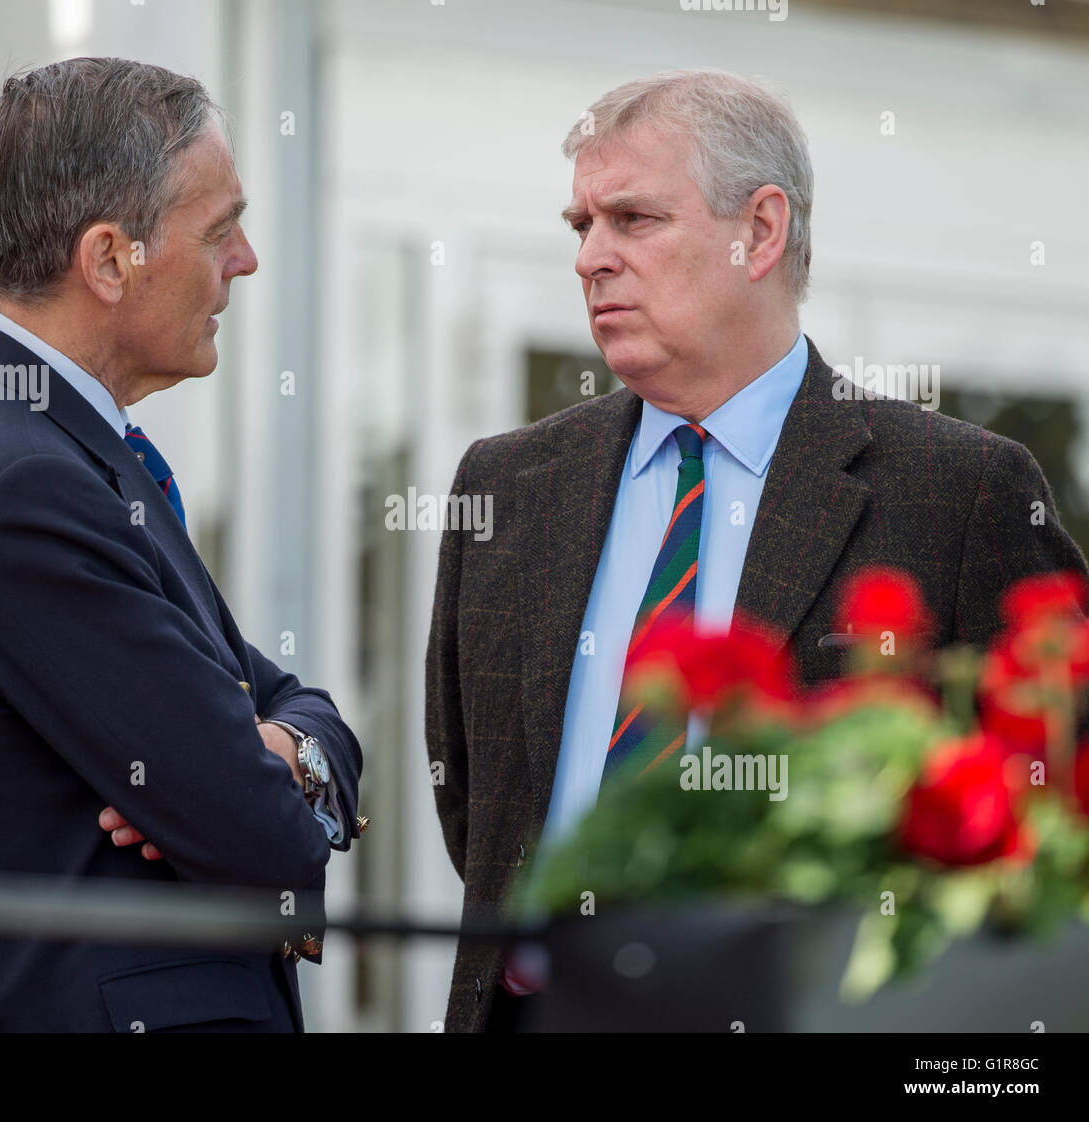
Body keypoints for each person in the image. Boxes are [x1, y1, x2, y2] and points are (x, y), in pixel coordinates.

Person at [424, 69, 1088, 1033]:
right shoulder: (508, 486)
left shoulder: (958, 488)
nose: (591, 260)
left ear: (761, 232)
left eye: (634, 219)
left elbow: (1050, 798)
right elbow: (479, 809)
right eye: (581, 227)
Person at [0, 57, 362, 1033]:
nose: (247, 260)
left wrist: (270, 746)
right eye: (219, 230)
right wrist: (256, 765)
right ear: (108, 260)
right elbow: (261, 834)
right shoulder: (20, 479)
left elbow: (289, 712)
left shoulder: (51, 447)